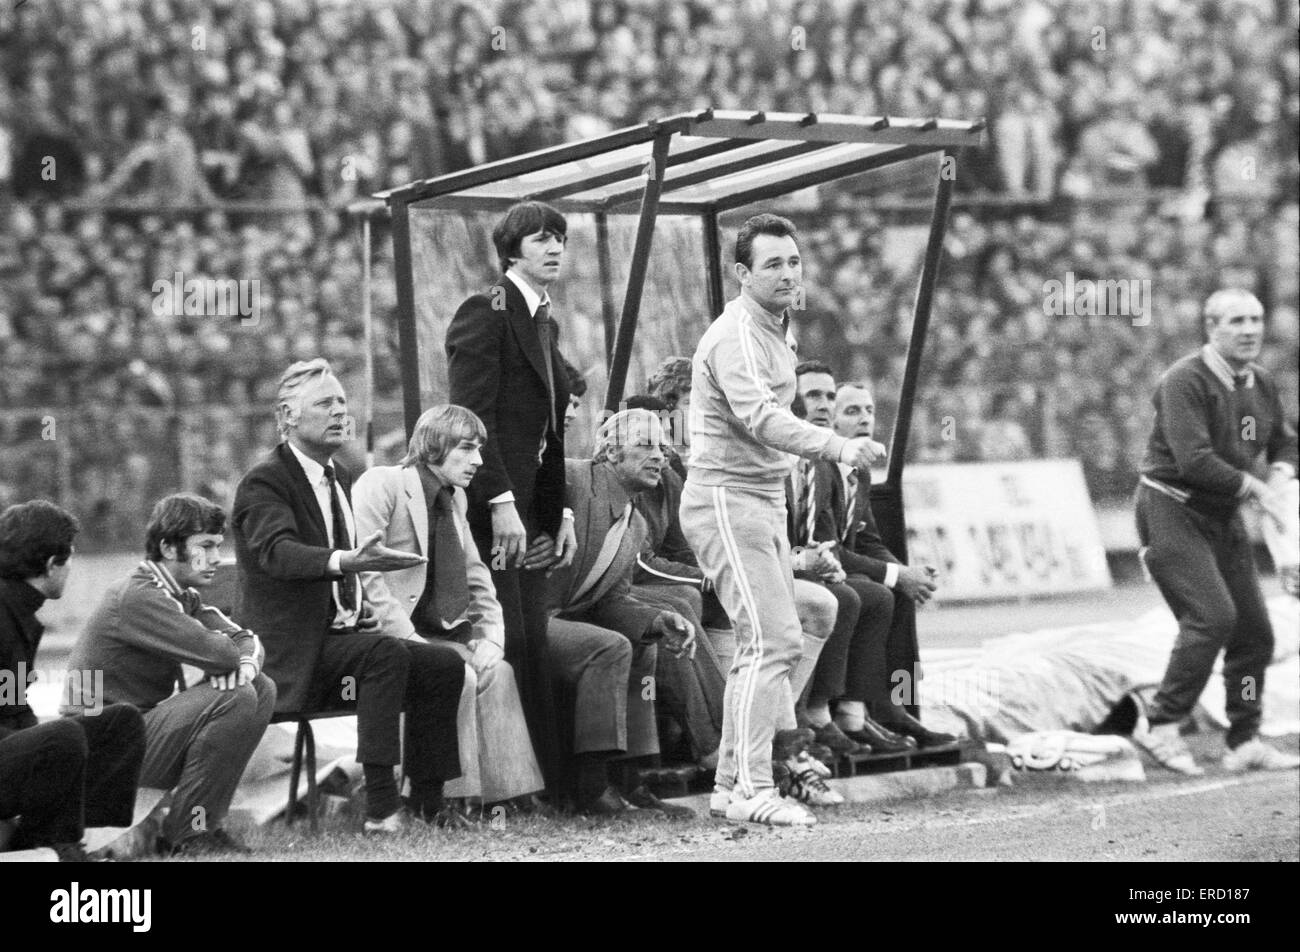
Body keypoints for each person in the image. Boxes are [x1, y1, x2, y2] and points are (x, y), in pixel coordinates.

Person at [677, 213, 885, 826]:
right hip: (725, 495)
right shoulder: (737, 334)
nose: (788, 273)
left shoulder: (779, 327)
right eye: (773, 264)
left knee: (768, 641)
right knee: (772, 641)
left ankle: (730, 784)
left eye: (793, 261)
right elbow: (762, 419)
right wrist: (838, 445)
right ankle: (752, 789)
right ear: (742, 273)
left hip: (759, 494)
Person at [232, 359, 466, 831]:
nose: (341, 411)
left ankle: (428, 801)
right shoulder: (266, 481)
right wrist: (346, 561)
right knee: (381, 653)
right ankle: (381, 809)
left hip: (338, 647)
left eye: (342, 401)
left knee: (443, 663)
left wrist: (359, 592)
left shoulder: (338, 477)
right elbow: (277, 554)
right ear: (288, 416)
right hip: (290, 658)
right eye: (325, 403)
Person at [1132, 289, 1299, 775]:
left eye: (1256, 319)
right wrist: (1256, 487)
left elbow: (1286, 443)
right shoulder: (1184, 380)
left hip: (1222, 515)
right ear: (1211, 327)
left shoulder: (1259, 382)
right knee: (1212, 617)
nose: (1250, 329)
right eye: (1236, 320)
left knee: (1255, 633)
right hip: (1172, 509)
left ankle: (1244, 738)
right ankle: (1162, 723)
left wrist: (1281, 477)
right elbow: (1194, 461)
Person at [352, 405, 545, 812]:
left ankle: (506, 796)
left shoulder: (453, 498)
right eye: (468, 449)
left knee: (497, 669)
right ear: (434, 445)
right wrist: (413, 640)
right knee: (459, 672)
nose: (478, 461)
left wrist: (492, 636)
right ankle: (448, 800)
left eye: (480, 451)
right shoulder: (382, 483)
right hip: (387, 637)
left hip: (442, 632)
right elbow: (368, 580)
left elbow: (477, 577)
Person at [445, 200, 577, 794]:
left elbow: (553, 432)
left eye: (559, 238)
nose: (553, 247)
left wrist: (561, 512)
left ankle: (546, 788)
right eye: (540, 238)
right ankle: (509, 790)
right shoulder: (486, 311)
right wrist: (499, 501)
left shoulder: (543, 319)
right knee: (512, 640)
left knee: (532, 639)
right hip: (491, 512)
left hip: (528, 512)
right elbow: (472, 420)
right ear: (512, 250)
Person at [62, 493, 275, 855]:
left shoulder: (179, 594)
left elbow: (245, 640)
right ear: (167, 546)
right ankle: (188, 834)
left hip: (130, 735)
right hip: (99, 752)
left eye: (218, 546)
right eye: (204, 546)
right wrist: (231, 666)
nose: (215, 558)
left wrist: (244, 666)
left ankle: (203, 824)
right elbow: (222, 652)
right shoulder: (139, 597)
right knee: (236, 696)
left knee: (261, 686)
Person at [533, 410, 696, 817]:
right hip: (527, 618)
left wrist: (657, 621)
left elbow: (613, 599)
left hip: (565, 621)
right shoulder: (569, 478)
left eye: (662, 447)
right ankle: (590, 788)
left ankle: (630, 779)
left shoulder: (636, 524)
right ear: (609, 451)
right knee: (610, 647)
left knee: (645, 645)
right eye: (645, 445)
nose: (659, 456)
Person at [0, 500, 145, 857]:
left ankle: (64, 834)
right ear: (51, 565)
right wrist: (44, 745)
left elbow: (12, 704)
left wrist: (37, 742)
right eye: (70, 559)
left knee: (118, 722)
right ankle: (58, 846)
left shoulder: (21, 614)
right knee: (63, 736)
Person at [824, 378, 957, 748]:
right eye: (852, 411)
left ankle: (897, 705)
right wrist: (898, 574)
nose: (864, 418)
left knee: (899, 594)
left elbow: (867, 539)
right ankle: (853, 712)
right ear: (830, 423)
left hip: (842, 566)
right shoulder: (820, 467)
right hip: (820, 567)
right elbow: (829, 546)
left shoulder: (861, 471)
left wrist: (905, 572)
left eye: (869, 410)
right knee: (879, 592)